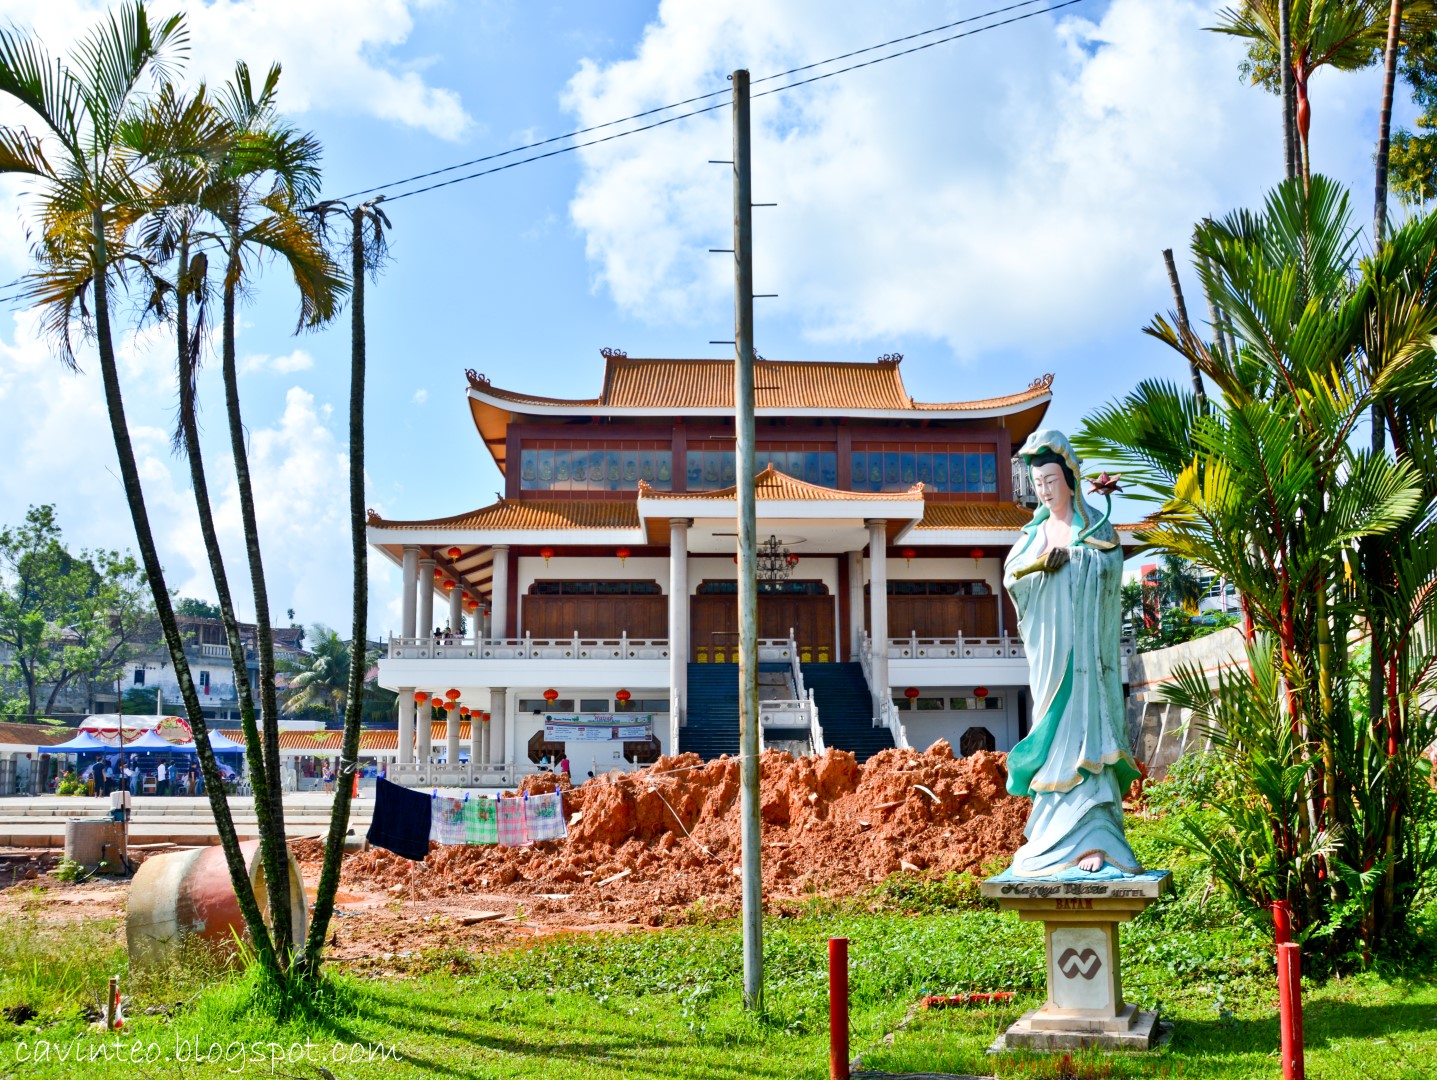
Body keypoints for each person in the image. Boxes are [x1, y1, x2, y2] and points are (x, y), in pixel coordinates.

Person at [1002, 429, 1141, 878]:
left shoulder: (1095, 528)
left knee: (1087, 733)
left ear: (1071, 481)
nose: (1045, 490)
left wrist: (1078, 560)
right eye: (1039, 483)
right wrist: (1042, 564)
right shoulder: (1033, 533)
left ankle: (1095, 835)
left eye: (1051, 481)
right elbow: (1011, 578)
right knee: (1053, 733)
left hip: (1085, 661)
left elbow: (1111, 565)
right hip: (1051, 651)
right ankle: (1048, 838)